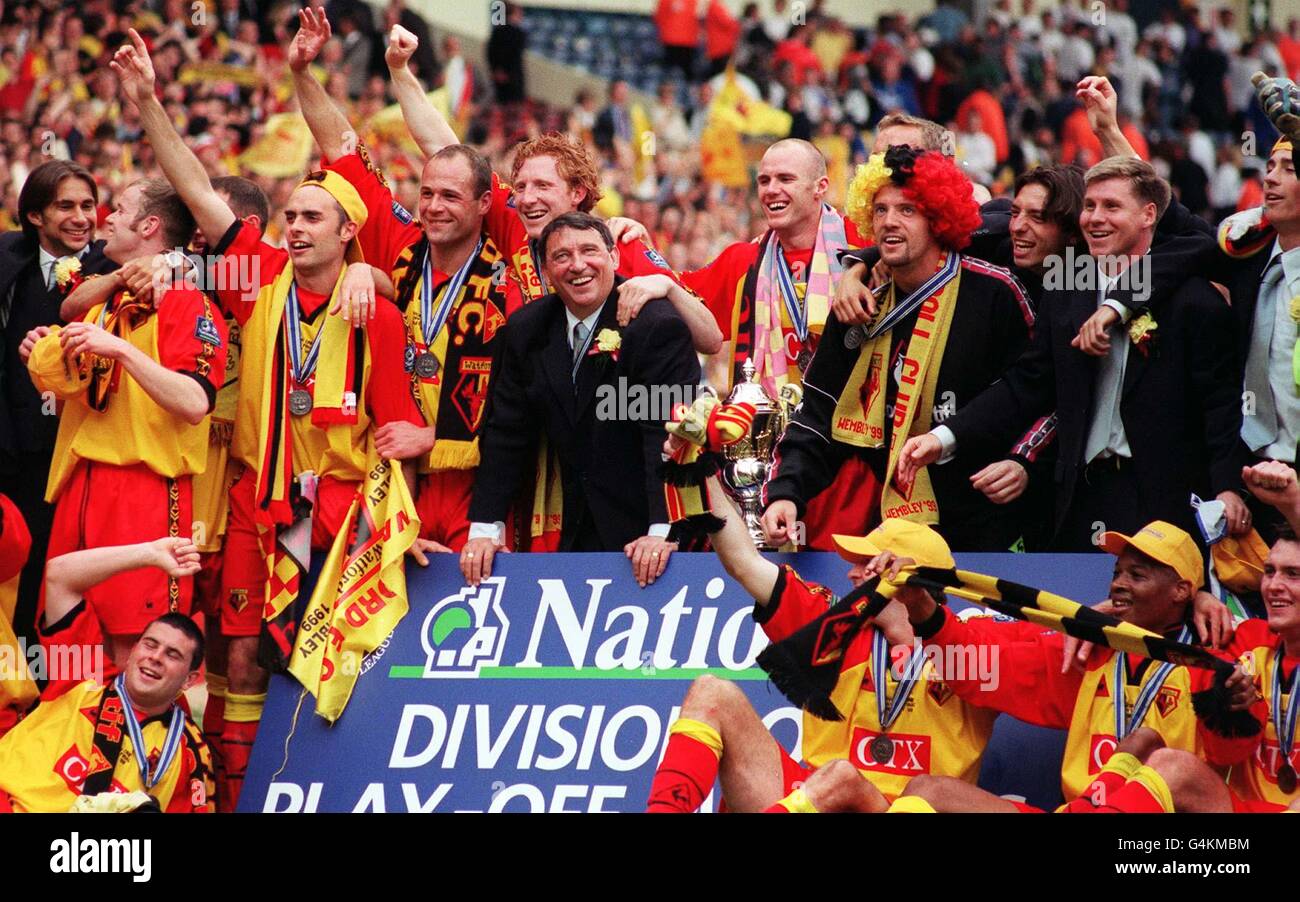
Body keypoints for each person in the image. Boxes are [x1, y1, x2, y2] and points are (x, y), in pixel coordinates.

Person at [110, 26, 430, 811]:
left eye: (312, 217)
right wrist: (150, 104)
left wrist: (402, 521)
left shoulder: (373, 315)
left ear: (349, 233)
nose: (294, 226)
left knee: (338, 662)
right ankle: (230, 798)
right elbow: (196, 192)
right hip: (264, 501)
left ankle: (324, 789)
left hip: (346, 511)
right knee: (243, 659)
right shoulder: (261, 279)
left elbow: (395, 432)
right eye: (291, 214)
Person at [898, 156, 1250, 551]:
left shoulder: (1193, 299)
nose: (1095, 218)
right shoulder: (1066, 289)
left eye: (1111, 207)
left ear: (1149, 214)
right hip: (1076, 497)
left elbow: (1220, 406)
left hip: (1161, 499)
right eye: (1090, 206)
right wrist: (944, 437)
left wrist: (1228, 487)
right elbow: (1027, 384)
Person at [291, 10, 514, 556]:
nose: (434, 207)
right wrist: (301, 71)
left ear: (485, 205)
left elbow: (524, 403)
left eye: (450, 196)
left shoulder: (511, 268)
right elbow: (343, 148)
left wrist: (436, 439)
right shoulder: (399, 240)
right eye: (428, 193)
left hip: (478, 486)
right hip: (390, 480)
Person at [645, 469, 997, 812]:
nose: (851, 573)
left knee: (843, 777)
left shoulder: (970, 647)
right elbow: (743, 562)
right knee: (712, 693)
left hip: (904, 808)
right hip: (813, 802)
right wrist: (699, 471)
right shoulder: (834, 626)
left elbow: (1046, 671)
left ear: (906, 576)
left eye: (866, 564)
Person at [761, 145, 1037, 552]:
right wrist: (787, 493)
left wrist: (1023, 461)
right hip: (897, 529)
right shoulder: (857, 304)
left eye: (907, 210)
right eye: (880, 210)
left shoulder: (995, 292)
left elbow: (1037, 390)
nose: (889, 222)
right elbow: (819, 412)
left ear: (938, 219)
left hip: (993, 526)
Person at [886, 520, 1260, 812]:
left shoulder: (1212, 660)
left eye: (1137, 575)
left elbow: (1232, 753)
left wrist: (1234, 704)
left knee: (1161, 756)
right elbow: (976, 671)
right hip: (1081, 808)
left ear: (1181, 590)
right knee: (929, 790)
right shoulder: (1083, 652)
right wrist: (922, 610)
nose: (1118, 585)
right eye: (1117, 574)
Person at [21, 177, 228, 669]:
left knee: (137, 647)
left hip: (145, 490)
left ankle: (141, 743)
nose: (105, 218)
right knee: (68, 641)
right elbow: (86, 376)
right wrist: (47, 363)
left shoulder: (186, 300)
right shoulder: (106, 298)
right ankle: (75, 742)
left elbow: (195, 401)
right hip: (82, 481)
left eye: (119, 209)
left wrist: (121, 351)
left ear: (150, 225)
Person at [461, 213, 700, 587]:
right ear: (546, 269)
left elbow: (665, 435)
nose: (577, 265)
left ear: (614, 257)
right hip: (574, 528)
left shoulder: (654, 326)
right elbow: (507, 432)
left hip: (651, 530)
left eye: (589, 251)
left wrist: (662, 530)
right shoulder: (527, 329)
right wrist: (483, 529)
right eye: (561, 256)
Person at [664, 139, 866, 549]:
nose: (771, 189)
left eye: (786, 179)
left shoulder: (863, 248)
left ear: (820, 187)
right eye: (764, 180)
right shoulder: (743, 261)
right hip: (767, 454)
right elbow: (680, 298)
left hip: (851, 454)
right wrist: (640, 257)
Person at [0, 537, 214, 813]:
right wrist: (149, 553)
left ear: (189, 679)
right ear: (134, 649)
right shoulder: (86, 674)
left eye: (173, 655)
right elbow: (59, 577)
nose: (156, 657)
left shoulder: (188, 751)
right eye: (150, 644)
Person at [0, 160, 115, 651]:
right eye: (64, 206)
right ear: (34, 217)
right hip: (8, 451)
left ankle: (42, 695)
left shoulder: (112, 268)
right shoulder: (6, 256)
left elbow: (189, 260)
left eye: (88, 205)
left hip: (71, 463)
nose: (80, 217)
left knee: (50, 577)